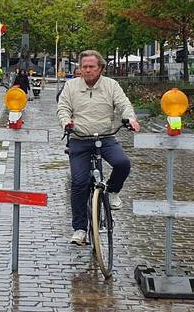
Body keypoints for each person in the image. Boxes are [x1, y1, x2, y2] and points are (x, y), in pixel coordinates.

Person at [57, 50, 140, 246]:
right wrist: (66, 122)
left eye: (91, 67)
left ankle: (112, 192)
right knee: (79, 182)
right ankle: (79, 229)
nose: (86, 70)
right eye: (83, 66)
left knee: (122, 163)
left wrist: (130, 118)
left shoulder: (111, 85)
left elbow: (124, 104)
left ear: (101, 68)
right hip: (79, 139)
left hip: (105, 137)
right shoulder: (71, 86)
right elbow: (63, 108)